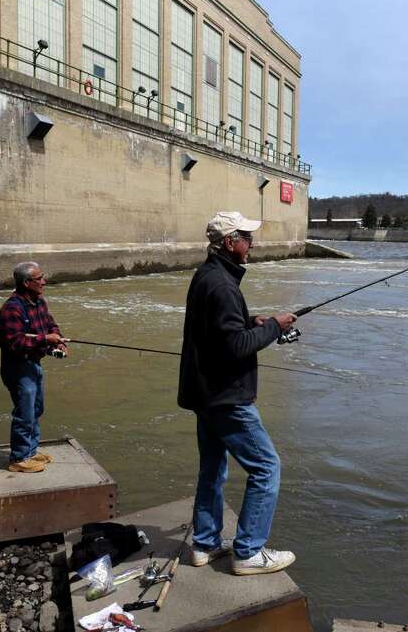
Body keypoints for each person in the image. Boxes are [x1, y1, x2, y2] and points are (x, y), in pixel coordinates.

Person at [178, 211, 299, 576]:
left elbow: (221, 331)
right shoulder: (224, 286)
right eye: (246, 237)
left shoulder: (207, 276)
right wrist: (274, 328)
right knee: (266, 467)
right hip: (227, 397)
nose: (252, 243)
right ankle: (248, 552)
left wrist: (253, 321)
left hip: (205, 394)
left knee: (212, 469)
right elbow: (234, 348)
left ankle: (205, 544)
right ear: (230, 242)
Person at [0, 261, 67, 473]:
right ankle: (19, 459)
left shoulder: (40, 302)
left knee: (36, 409)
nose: (44, 282)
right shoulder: (11, 309)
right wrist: (45, 339)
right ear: (27, 282)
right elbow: (15, 343)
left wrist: (59, 340)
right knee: (24, 412)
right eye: (39, 279)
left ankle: (30, 450)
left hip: (33, 364)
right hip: (17, 367)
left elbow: (51, 324)